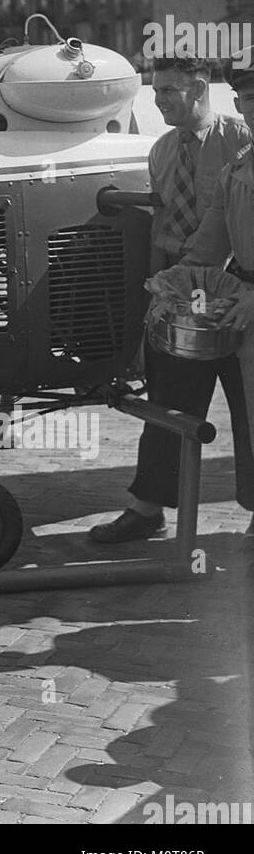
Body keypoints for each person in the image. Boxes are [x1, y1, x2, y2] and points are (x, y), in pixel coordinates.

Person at [89, 53, 253, 543]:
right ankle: (147, 507)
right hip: (191, 297)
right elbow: (185, 229)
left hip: (239, 297)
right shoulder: (162, 151)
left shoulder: (237, 142)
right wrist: (166, 287)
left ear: (201, 89)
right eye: (154, 91)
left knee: (248, 410)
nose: (158, 100)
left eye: (169, 91)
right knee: (169, 403)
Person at [177, 60, 254, 531]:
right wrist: (175, 285)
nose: (253, 109)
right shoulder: (238, 168)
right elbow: (211, 241)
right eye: (247, 101)